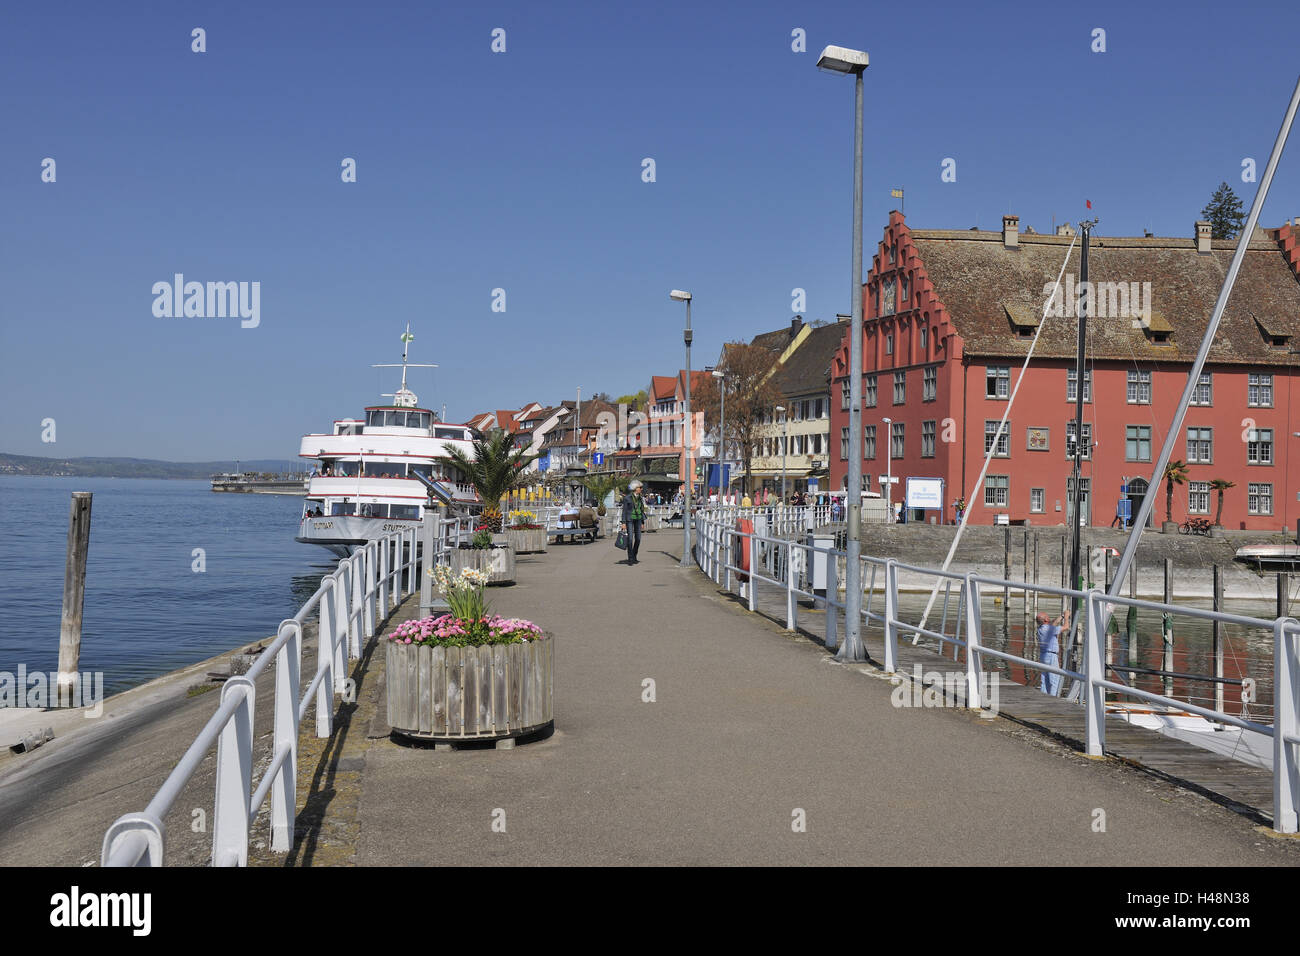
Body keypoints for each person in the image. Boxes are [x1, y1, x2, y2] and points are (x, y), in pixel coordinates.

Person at [1036, 610, 1069, 695]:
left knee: (1045, 679)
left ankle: (1044, 697)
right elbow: (1066, 627)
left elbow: (1053, 624)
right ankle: (1054, 698)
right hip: (1051, 656)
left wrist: (1061, 616)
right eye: (1047, 616)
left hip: (1043, 655)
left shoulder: (1040, 629)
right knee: (1054, 679)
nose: (1049, 617)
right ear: (1046, 619)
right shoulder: (1050, 629)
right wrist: (1066, 617)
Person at [620, 479, 647, 565]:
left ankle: (634, 554)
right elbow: (624, 511)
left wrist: (642, 522)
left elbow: (641, 510)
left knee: (638, 539)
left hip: (638, 519)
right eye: (640, 487)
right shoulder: (627, 498)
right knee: (630, 539)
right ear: (635, 488)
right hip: (629, 519)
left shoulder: (640, 498)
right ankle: (630, 558)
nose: (641, 489)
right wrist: (623, 522)